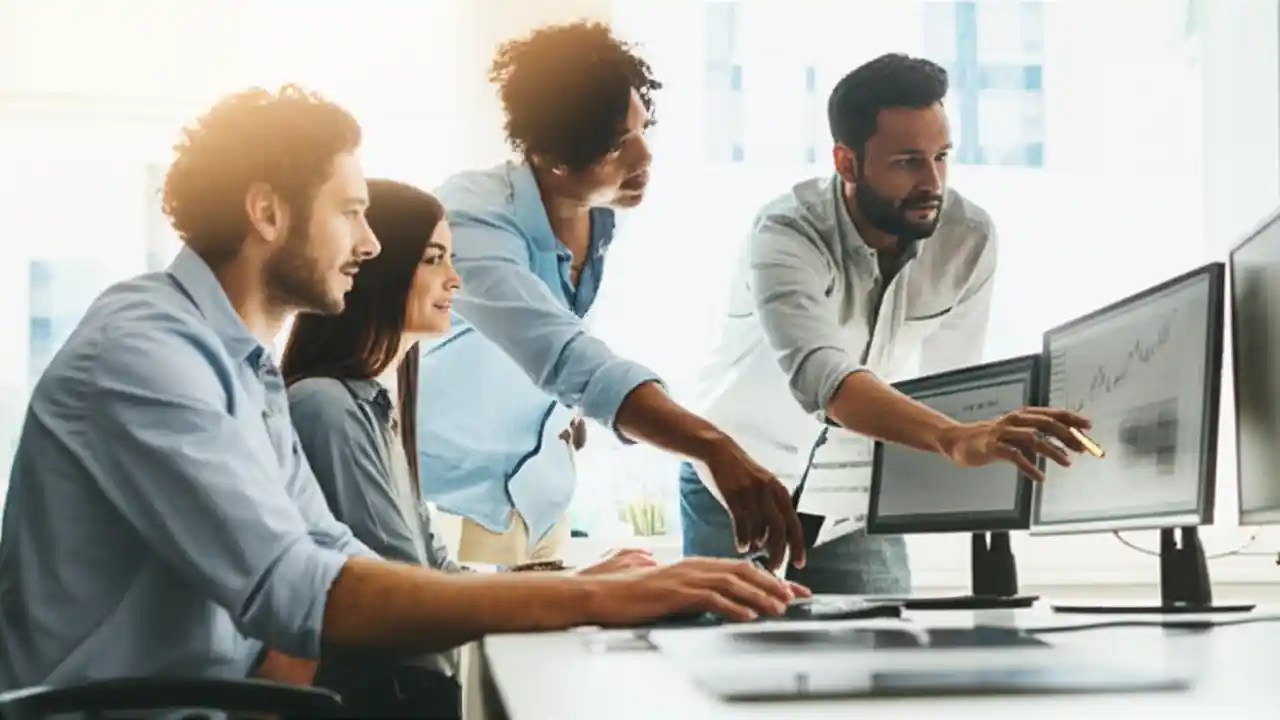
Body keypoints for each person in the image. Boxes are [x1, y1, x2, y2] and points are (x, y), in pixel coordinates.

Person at [0, 85, 802, 692]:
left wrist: (589, 582)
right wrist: (601, 602)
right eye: (350, 213)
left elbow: (334, 553)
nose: (372, 241)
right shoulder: (146, 355)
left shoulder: (235, 360)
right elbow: (306, 594)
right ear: (268, 212)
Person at [679, 54, 1091, 593]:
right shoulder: (785, 233)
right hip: (740, 477)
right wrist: (953, 438)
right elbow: (824, 377)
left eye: (941, 157)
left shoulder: (968, 237)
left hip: (854, 492)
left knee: (880, 653)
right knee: (740, 659)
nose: (932, 182)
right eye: (907, 162)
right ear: (846, 163)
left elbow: (956, 384)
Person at [418, 21, 806, 571]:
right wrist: (712, 446)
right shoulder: (471, 218)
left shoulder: (596, 218)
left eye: (642, 129)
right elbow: (561, 353)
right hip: (456, 500)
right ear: (555, 155)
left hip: (540, 499)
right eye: (619, 144)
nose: (644, 157)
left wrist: (556, 413)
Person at [281, 178, 656, 717]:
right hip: (386, 699)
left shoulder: (375, 409)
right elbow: (407, 594)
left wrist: (585, 581)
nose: (454, 280)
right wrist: (591, 595)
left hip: (415, 692)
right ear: (379, 267)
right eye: (434, 259)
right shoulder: (325, 407)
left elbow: (439, 576)